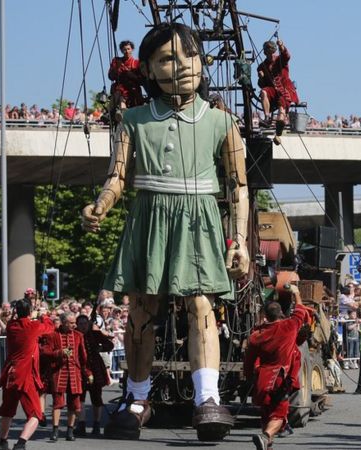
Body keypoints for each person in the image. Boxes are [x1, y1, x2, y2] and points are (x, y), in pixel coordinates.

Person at [82, 22, 250, 442]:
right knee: (141, 311)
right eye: (167, 59)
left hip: (199, 218)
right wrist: (100, 205)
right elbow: (117, 176)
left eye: (189, 55)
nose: (182, 65)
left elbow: (239, 187)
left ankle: (207, 399)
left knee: (201, 308)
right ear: (149, 70)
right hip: (150, 216)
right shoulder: (133, 121)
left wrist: (241, 241)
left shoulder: (220, 123)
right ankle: (137, 399)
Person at [244, 285, 309, 450]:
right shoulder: (289, 326)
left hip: (262, 378)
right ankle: (265, 437)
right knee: (279, 415)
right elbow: (300, 310)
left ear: (265, 315)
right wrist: (296, 292)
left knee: (266, 414)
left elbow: (249, 361)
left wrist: (249, 377)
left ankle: (267, 444)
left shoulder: (256, 335)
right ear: (280, 313)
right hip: (281, 378)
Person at [0, 299, 56, 450]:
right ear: (29, 312)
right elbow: (50, 327)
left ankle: (3, 441)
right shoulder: (32, 326)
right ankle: (21, 443)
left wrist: (32, 315)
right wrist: (44, 315)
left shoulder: (11, 325)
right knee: (36, 414)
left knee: (7, 411)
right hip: (26, 374)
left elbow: (20, 321)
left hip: (11, 373)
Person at [45, 312, 89, 442]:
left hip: (74, 373)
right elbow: (45, 352)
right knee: (57, 403)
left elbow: (83, 357)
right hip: (59, 373)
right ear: (63, 323)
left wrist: (87, 372)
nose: (74, 325)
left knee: (74, 404)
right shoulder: (52, 336)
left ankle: (70, 431)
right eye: (71, 323)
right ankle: (55, 430)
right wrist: (60, 353)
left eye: (74, 322)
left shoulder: (78, 336)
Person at [74, 314, 114, 436]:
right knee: (79, 397)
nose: (83, 326)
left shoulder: (95, 334)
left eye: (85, 323)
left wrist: (100, 349)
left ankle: (96, 424)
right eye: (80, 324)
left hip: (95, 368)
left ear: (89, 324)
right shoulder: (74, 335)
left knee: (97, 398)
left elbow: (110, 345)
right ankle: (81, 424)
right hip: (79, 368)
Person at [257, 38, 299, 129]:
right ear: (265, 53)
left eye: (272, 52)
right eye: (268, 52)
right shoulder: (262, 66)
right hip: (273, 91)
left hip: (285, 88)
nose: (271, 54)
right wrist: (261, 78)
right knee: (263, 92)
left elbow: (286, 55)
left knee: (282, 101)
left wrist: (281, 45)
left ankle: (281, 121)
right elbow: (262, 84)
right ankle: (267, 117)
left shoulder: (280, 59)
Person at [108, 40, 144, 110]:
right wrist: (116, 69)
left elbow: (142, 80)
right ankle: (112, 112)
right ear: (121, 51)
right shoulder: (116, 61)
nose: (127, 51)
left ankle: (119, 111)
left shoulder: (136, 63)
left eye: (128, 49)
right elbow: (110, 76)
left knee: (121, 94)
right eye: (124, 49)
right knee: (118, 92)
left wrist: (130, 74)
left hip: (132, 90)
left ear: (132, 49)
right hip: (119, 88)